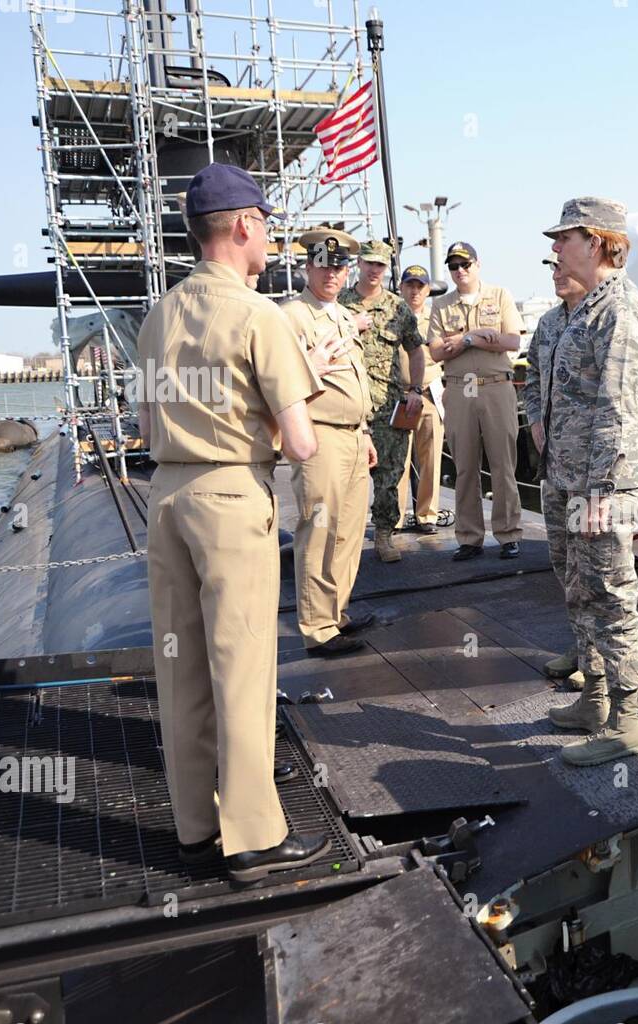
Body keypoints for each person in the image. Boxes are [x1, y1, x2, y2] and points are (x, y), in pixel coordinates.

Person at [137, 162, 335, 883]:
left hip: (167, 497)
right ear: (246, 225)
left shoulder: (158, 315)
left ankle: (195, 828)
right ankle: (252, 837)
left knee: (180, 667)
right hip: (229, 497)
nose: (271, 239)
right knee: (243, 667)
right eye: (267, 225)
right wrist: (308, 377)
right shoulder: (260, 316)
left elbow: (145, 427)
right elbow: (302, 444)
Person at [541, 197, 638, 766]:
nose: (556, 247)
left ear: (595, 242)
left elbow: (622, 405)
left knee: (612, 595)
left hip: (602, 486)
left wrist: (600, 491)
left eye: (564, 237)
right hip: (569, 476)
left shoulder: (617, 307)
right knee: (578, 587)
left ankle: (628, 720)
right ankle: (594, 698)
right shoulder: (581, 309)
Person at [525, 252, 638, 694]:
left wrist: (617, 447)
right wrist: (537, 421)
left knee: (607, 585)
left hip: (600, 476)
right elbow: (534, 378)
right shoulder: (551, 324)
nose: (556, 271)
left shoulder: (617, 312)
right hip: (561, 471)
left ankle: (614, 689)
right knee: (571, 573)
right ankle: (587, 658)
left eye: (560, 262)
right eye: (550, 266)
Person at [281, 229, 378, 655]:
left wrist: (365, 431)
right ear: (308, 267)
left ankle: (336, 613)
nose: (332, 274)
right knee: (319, 530)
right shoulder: (292, 317)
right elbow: (279, 380)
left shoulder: (341, 315)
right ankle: (318, 628)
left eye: (339, 267)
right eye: (324, 265)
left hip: (353, 435)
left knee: (349, 532)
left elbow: (355, 377)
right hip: (319, 434)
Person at [427, 242, 524, 561]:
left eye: (465, 264)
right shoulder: (441, 305)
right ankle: (470, 537)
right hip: (459, 390)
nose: (460, 271)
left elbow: (511, 340)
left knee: (503, 465)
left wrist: (466, 339)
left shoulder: (500, 295)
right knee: (465, 467)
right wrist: (480, 338)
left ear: (477, 264)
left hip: (496, 387)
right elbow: (436, 352)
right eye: (454, 266)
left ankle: (509, 533)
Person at [339, 239, 425, 563]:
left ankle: (384, 535)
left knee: (389, 477)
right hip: (349, 404)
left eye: (380, 264)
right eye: (369, 262)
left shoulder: (397, 308)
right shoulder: (340, 304)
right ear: (359, 263)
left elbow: (415, 350)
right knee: (346, 477)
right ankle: (344, 538)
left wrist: (415, 389)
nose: (374, 269)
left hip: (388, 406)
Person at [397, 263, 445, 535]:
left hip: (428, 393)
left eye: (420, 286)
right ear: (401, 288)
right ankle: (395, 517)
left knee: (431, 459)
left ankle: (427, 515)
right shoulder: (392, 316)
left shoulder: (435, 320)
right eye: (410, 285)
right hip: (401, 395)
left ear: (427, 290)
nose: (414, 291)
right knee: (397, 461)